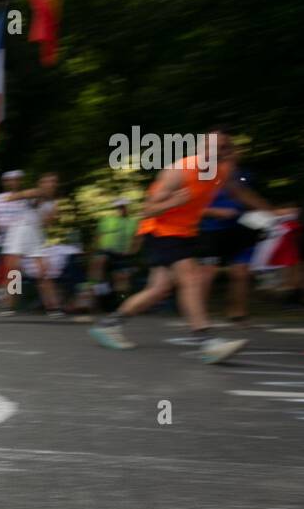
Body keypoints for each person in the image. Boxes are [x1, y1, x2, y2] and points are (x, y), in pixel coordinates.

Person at [90, 130, 269, 363]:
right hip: (161, 230)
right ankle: (206, 342)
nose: (214, 151)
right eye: (210, 145)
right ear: (198, 147)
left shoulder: (222, 171)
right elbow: (148, 210)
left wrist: (270, 211)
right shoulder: (179, 170)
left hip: (184, 232)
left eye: (222, 147)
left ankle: (109, 325)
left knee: (158, 290)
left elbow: (239, 192)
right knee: (191, 277)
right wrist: (175, 201)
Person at [196, 163, 263, 326]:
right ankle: (198, 315)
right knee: (208, 272)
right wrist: (215, 212)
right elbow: (192, 208)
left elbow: (252, 200)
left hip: (240, 229)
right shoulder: (202, 175)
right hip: (211, 230)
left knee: (240, 272)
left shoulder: (243, 175)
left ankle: (237, 314)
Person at [1, 172, 62, 317]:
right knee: (13, 271)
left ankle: (53, 307)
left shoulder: (53, 204)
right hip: (18, 231)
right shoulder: (34, 193)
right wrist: (35, 195)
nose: (50, 184)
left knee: (43, 273)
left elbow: (48, 224)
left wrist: (51, 213)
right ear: (41, 184)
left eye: (53, 181)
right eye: (46, 181)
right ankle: (8, 305)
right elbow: (11, 197)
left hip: (36, 236)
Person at [0, 170, 29, 309]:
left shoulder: (26, 199)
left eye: (16, 180)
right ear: (4, 182)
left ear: (20, 182)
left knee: (15, 269)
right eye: (10, 180)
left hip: (21, 240)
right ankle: (0, 295)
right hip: (1, 239)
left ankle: (11, 301)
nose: (13, 182)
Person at [90, 198, 137, 308]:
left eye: (124, 207)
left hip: (122, 254)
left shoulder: (133, 222)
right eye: (119, 207)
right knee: (99, 262)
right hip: (105, 251)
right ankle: (100, 294)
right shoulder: (107, 220)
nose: (121, 209)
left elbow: (137, 240)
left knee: (121, 279)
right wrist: (95, 251)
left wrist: (131, 252)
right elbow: (98, 237)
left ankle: (121, 301)